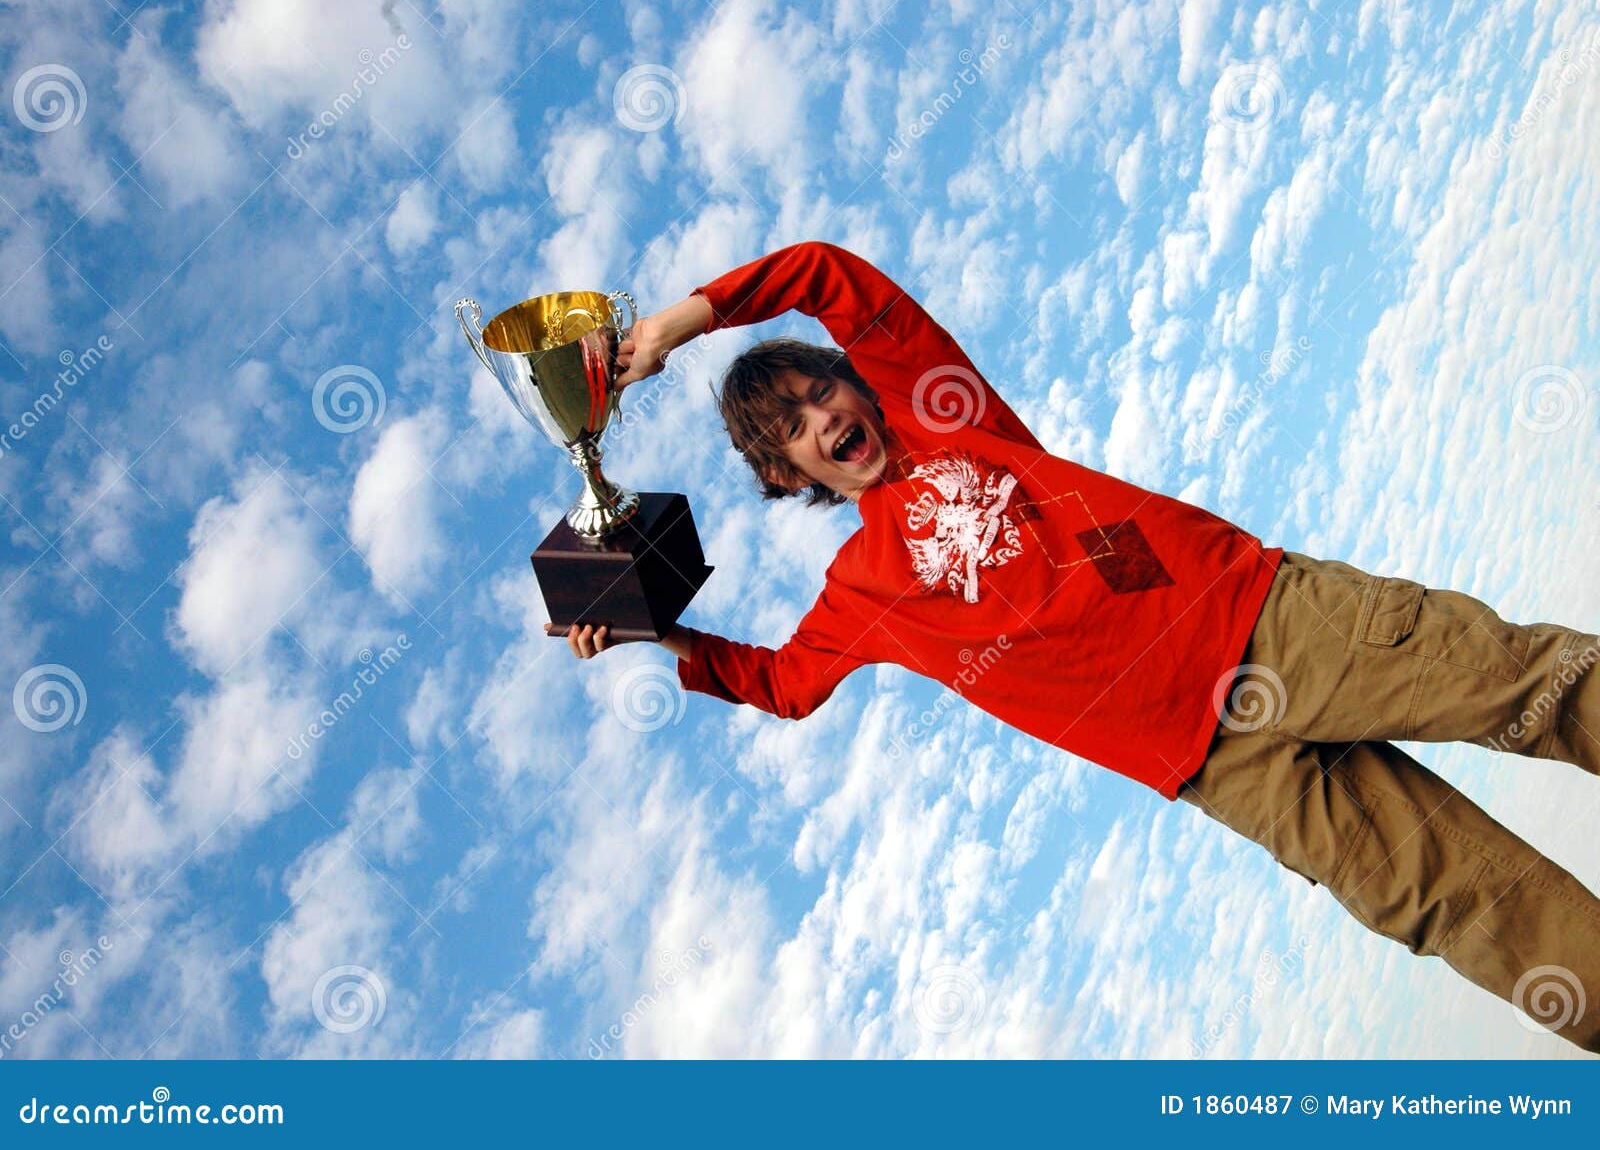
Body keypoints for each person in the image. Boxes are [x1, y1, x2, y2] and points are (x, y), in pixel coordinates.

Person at [543, 241, 1600, 1053]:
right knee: (1462, 905)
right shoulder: (857, 594)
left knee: (1526, 687)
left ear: (860, 388)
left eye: (821, 392)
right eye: (792, 432)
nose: (821, 420)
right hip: (1216, 764)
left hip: (1264, 618)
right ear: (787, 478)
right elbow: (776, 681)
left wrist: (679, 327)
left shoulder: (945, 408)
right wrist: (648, 622)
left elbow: (828, 276)